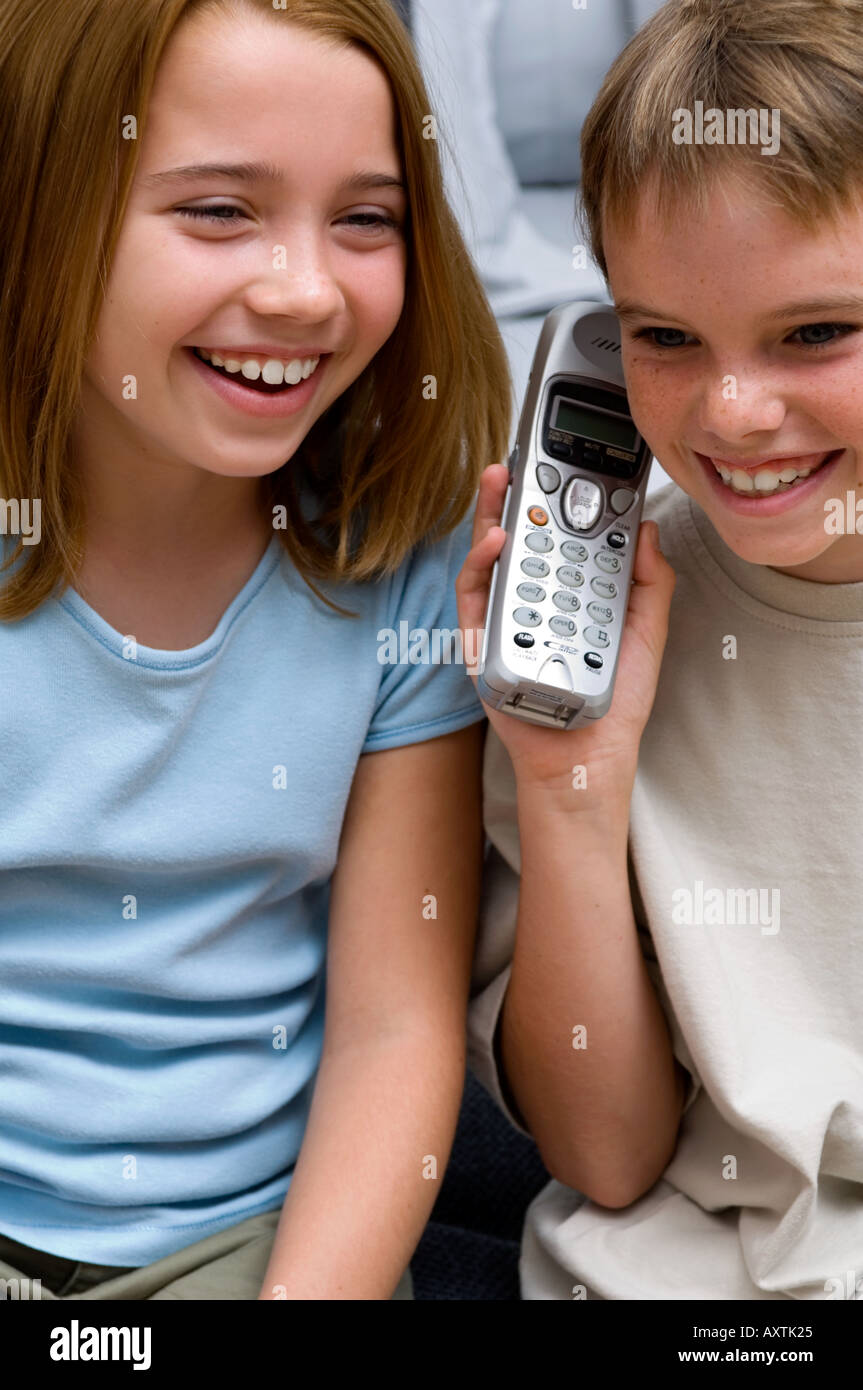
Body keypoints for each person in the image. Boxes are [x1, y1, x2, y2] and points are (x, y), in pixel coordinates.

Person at [0, 0, 511, 1301]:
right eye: (220, 210)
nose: (303, 290)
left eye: (366, 218)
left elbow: (397, 1029)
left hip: (262, 1253)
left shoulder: (406, 547)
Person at [458, 0, 863, 1300]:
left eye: (815, 333)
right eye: (664, 337)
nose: (734, 412)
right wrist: (570, 788)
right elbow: (608, 1155)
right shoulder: (612, 617)